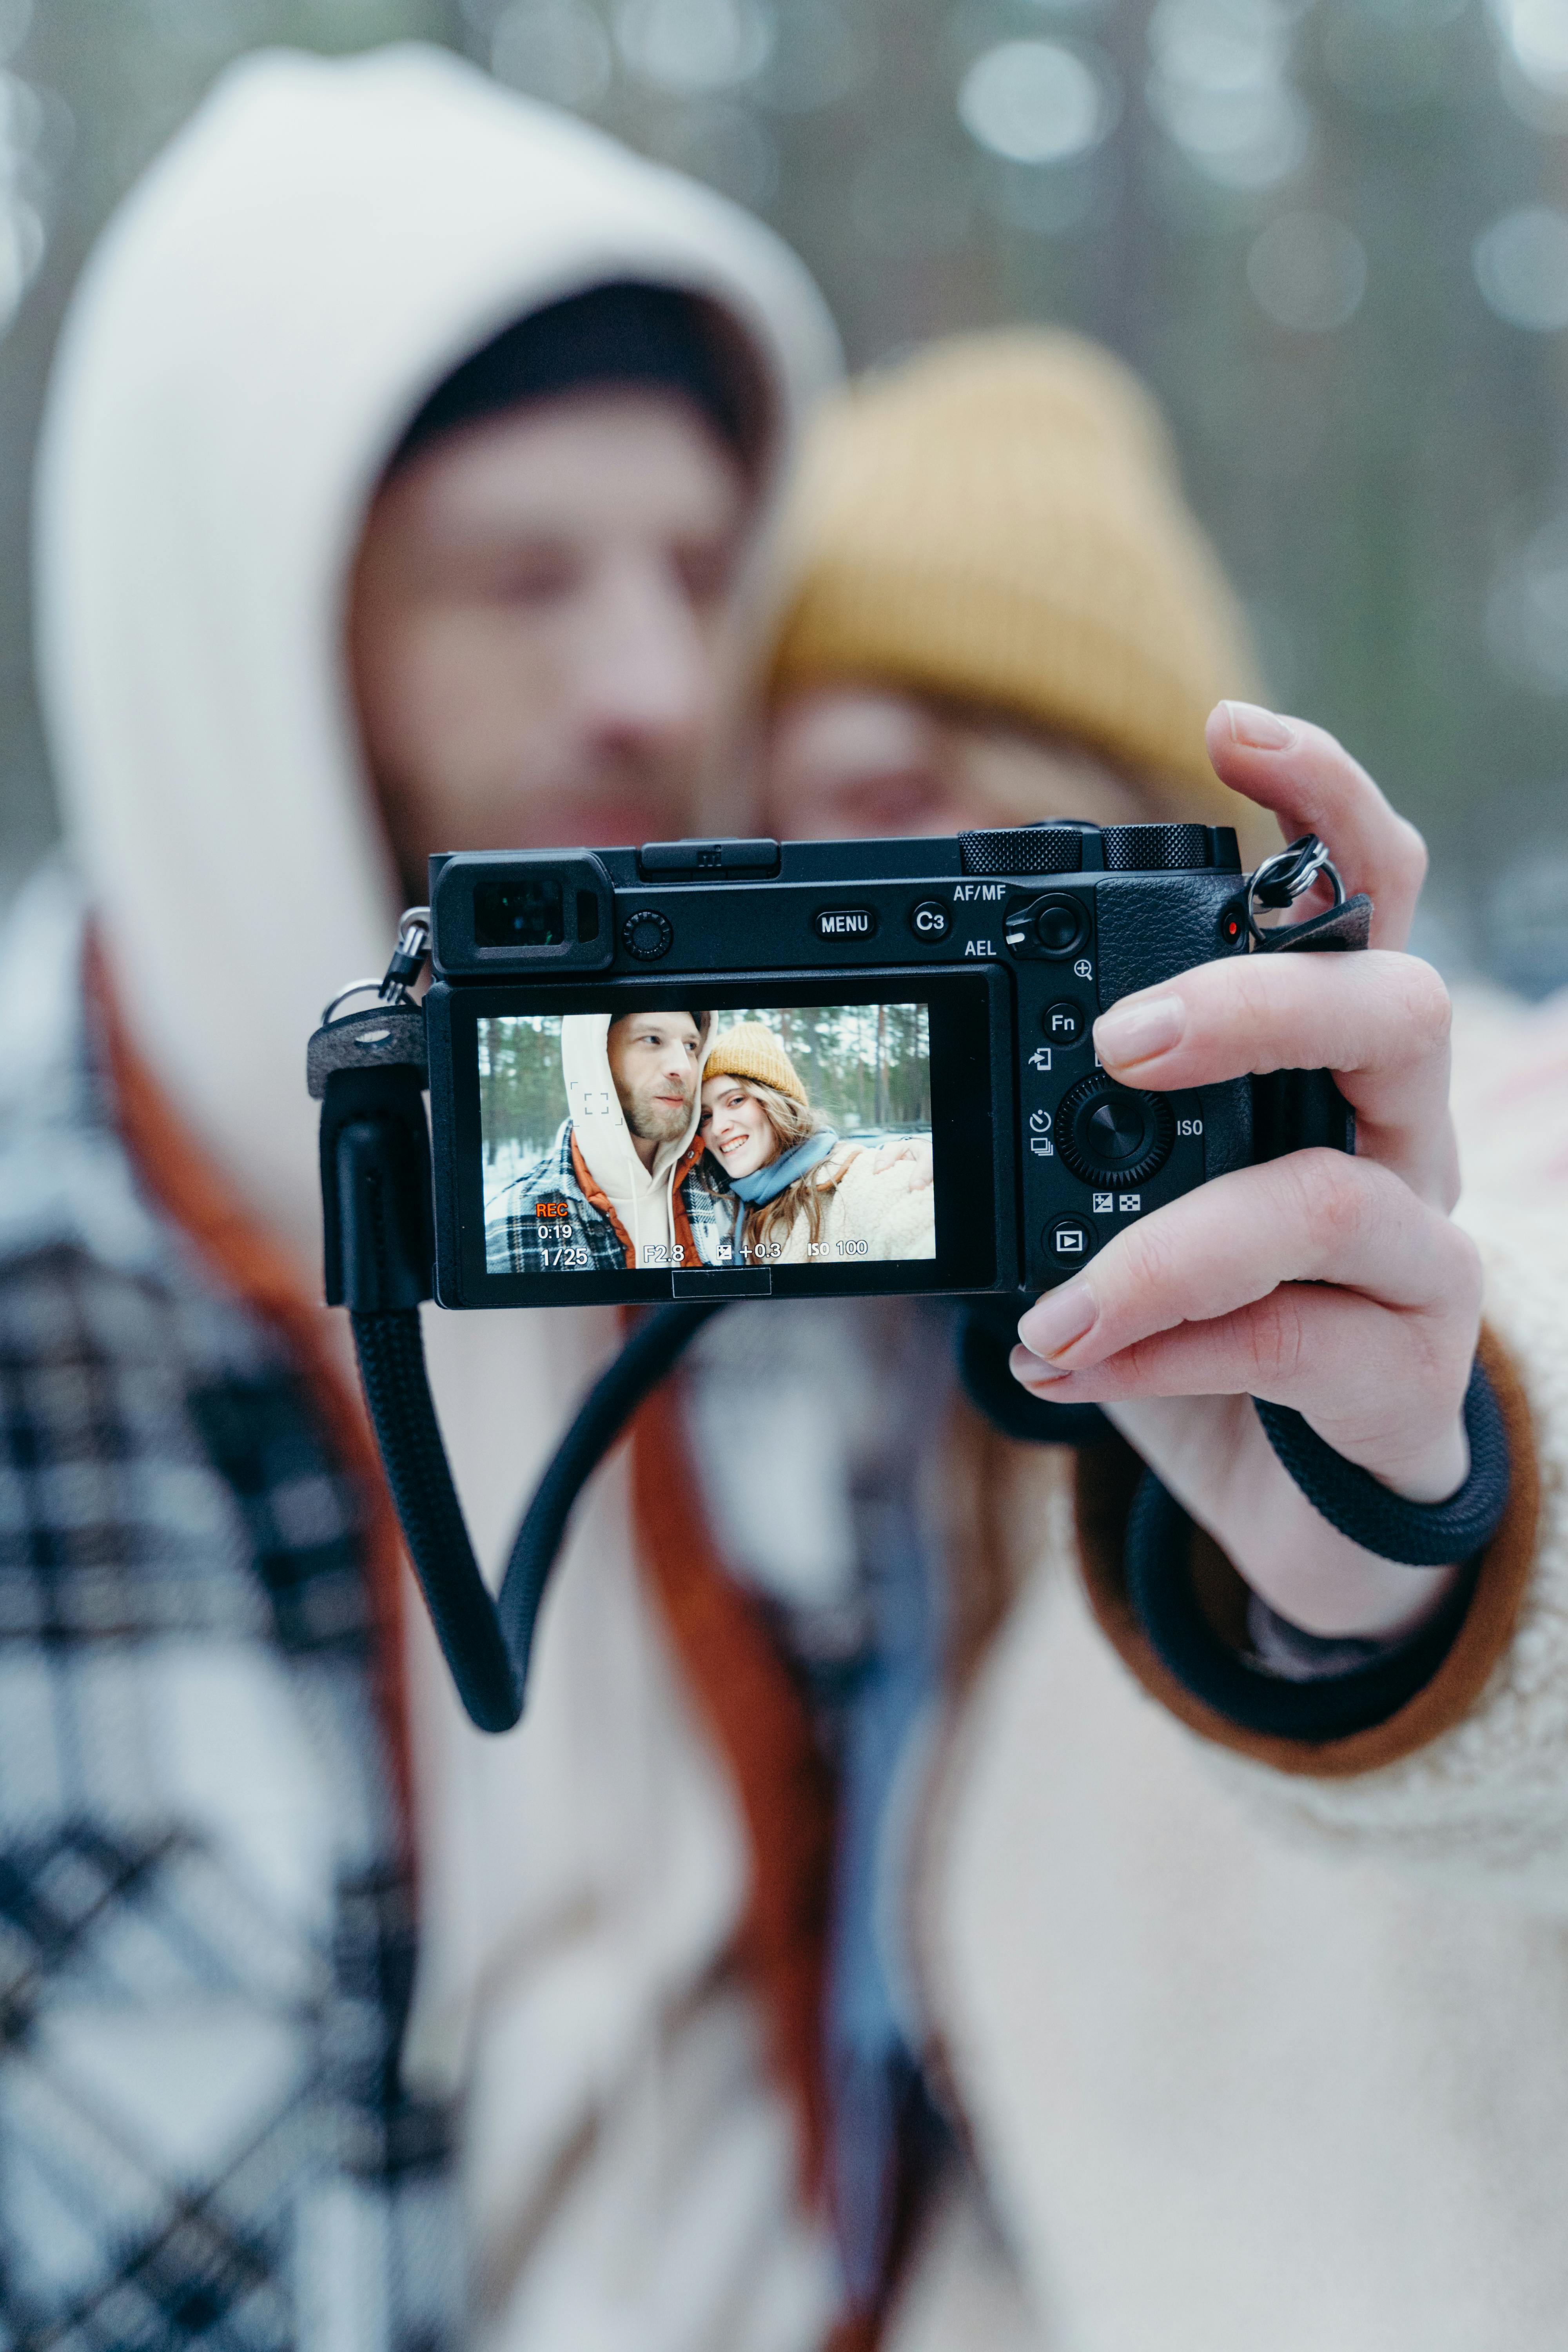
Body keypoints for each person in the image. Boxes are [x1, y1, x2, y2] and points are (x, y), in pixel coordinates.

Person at [601, 331, 1568, 2352]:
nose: (843, 921)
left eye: (899, 810)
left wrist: (1410, 1549)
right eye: (777, 854)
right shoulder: (871, 1364)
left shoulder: (1486, 1145)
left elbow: (1502, 1402)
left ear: (1113, 821)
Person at [2, 42, 839, 2350]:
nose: (658, 681)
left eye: (697, 564)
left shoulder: (788, 1140)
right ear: (252, 624)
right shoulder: (40, 1254)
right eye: (522, 578)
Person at [485, 1006, 731, 1270]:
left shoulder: (726, 1184)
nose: (683, 1067)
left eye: (691, 1046)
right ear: (594, 1057)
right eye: (652, 1040)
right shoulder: (508, 1222)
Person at [697, 1021, 935, 1264]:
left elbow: (922, 1229)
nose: (717, 1128)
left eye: (736, 1101)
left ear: (779, 1102)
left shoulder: (860, 1176)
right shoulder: (727, 1201)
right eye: (706, 1116)